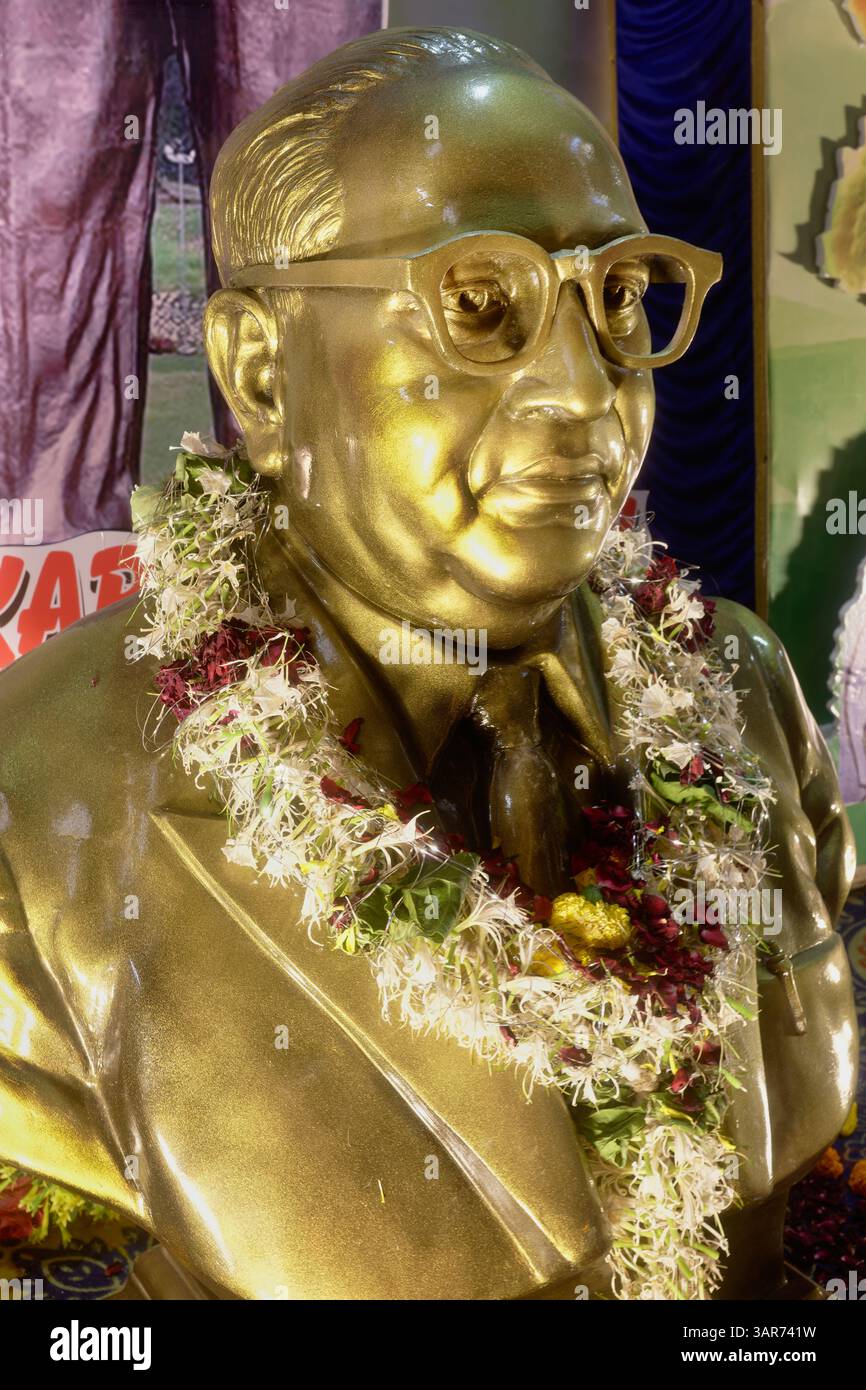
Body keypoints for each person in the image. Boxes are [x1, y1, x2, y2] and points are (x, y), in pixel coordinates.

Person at [0, 27, 856, 1300]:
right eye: (479, 304)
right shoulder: (40, 798)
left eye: (617, 295)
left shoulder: (738, 688)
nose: (580, 389)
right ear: (257, 370)